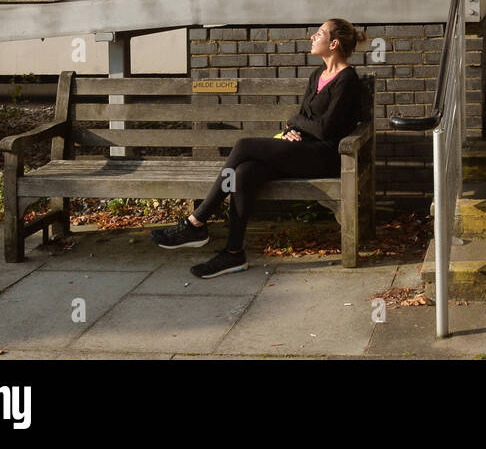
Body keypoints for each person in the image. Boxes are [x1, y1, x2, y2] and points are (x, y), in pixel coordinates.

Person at [151, 19, 366, 277]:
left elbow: (324, 129)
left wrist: (294, 122)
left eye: (319, 33)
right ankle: (233, 254)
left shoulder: (347, 80)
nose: (312, 36)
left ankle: (196, 222)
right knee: (244, 172)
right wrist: (290, 131)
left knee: (243, 145)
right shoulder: (316, 75)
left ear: (333, 43)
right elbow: (305, 118)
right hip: (300, 150)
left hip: (324, 156)